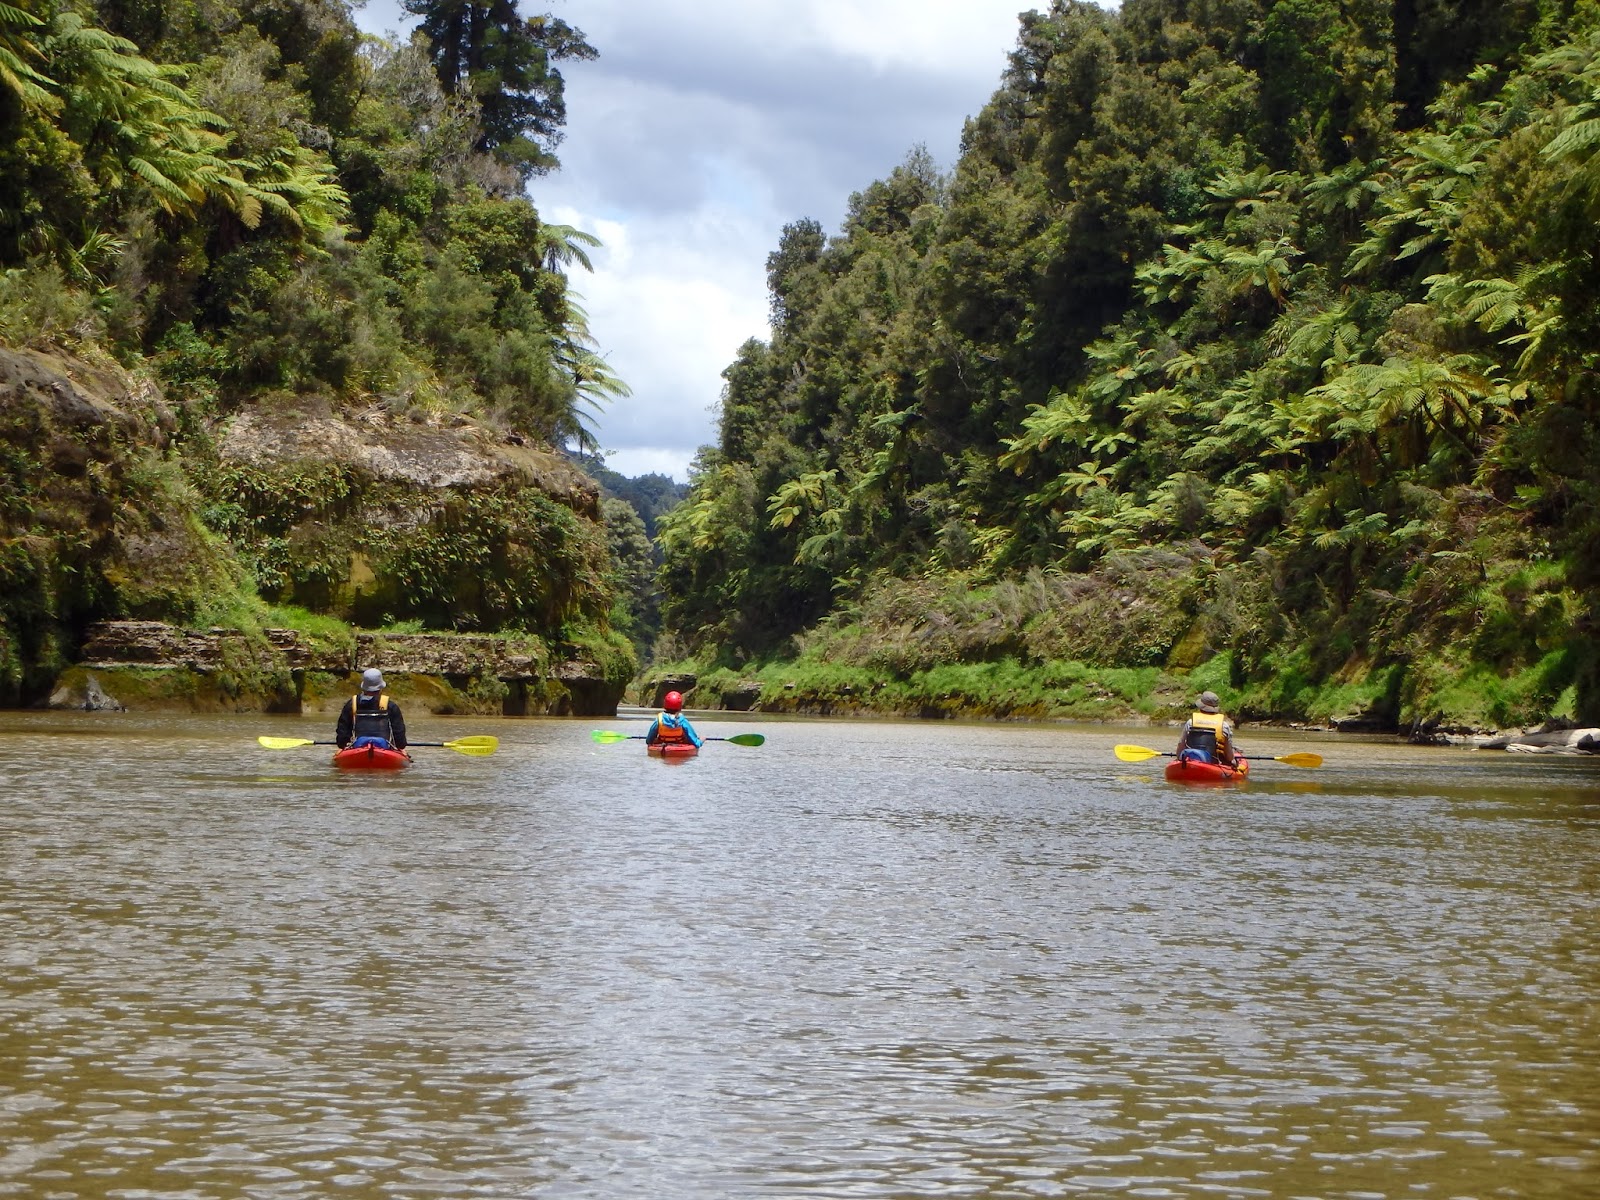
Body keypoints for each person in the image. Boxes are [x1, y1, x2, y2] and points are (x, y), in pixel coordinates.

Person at [336, 668, 408, 753]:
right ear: (381, 687)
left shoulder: (352, 704)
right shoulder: (390, 705)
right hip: (383, 747)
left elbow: (342, 733)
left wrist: (342, 745)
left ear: (364, 686)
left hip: (359, 746)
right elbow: (399, 733)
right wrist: (400, 747)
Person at [1175, 690, 1238, 766]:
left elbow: (1180, 745)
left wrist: (1179, 759)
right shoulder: (1224, 726)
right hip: (1215, 763)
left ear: (1201, 706)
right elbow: (1229, 757)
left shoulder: (1190, 723)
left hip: (1191, 760)